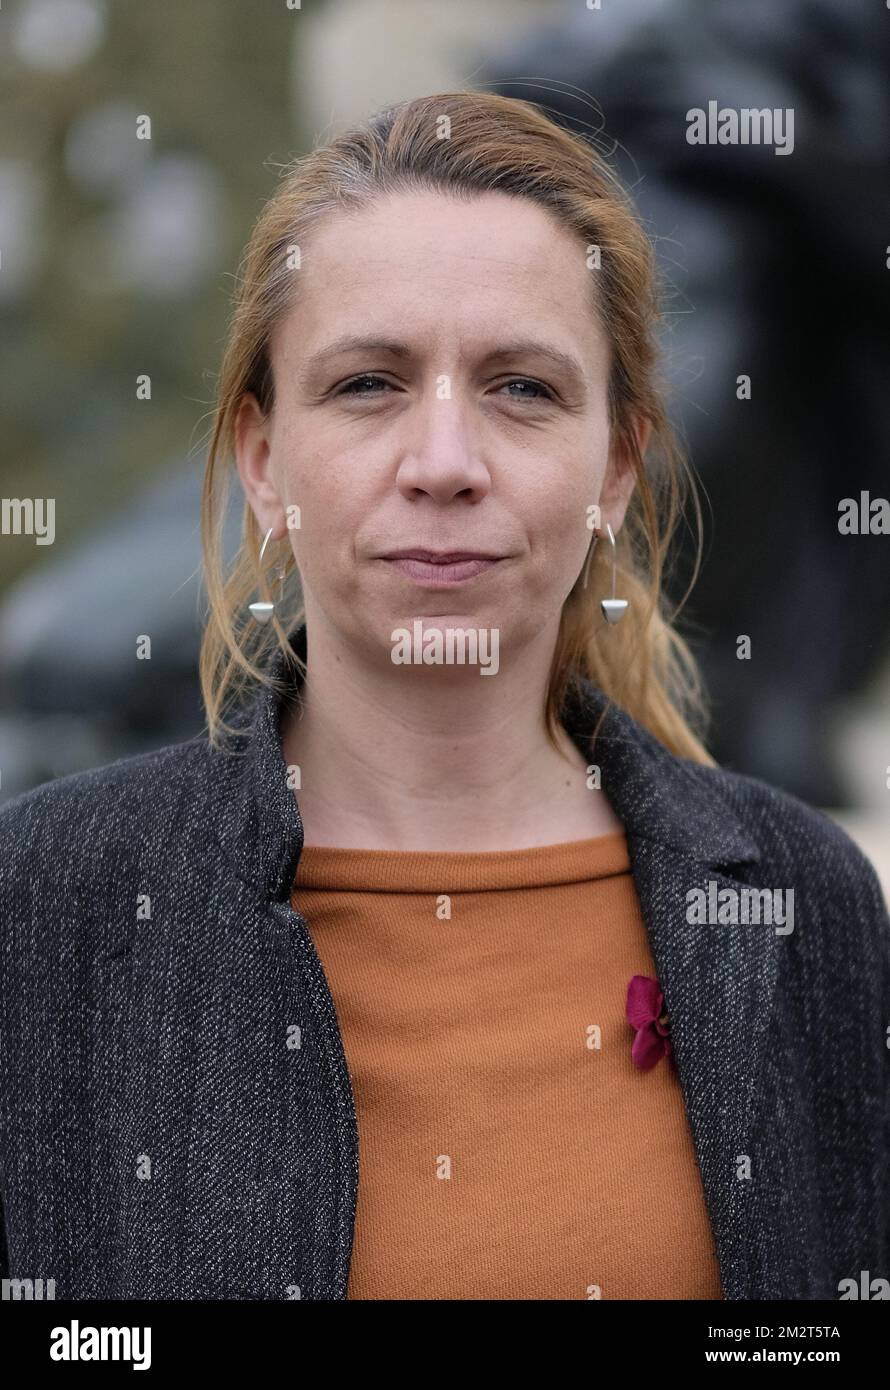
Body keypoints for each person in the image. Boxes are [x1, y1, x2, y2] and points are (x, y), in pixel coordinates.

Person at [0, 91, 887, 1302]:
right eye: (369, 383)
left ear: (615, 468)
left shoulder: (799, 904)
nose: (443, 465)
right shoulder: (47, 904)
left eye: (521, 387)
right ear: (263, 463)